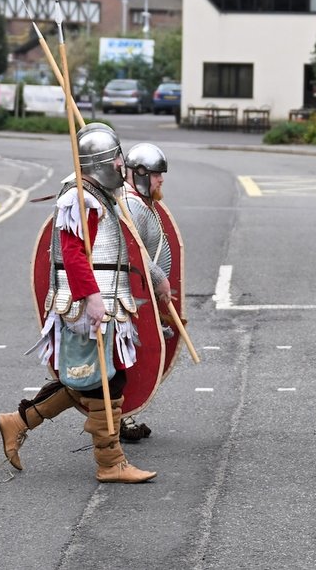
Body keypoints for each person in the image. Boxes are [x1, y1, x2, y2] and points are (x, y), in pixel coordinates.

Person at [0, 124, 156, 483]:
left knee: (92, 379)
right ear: (102, 161)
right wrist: (92, 297)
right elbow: (72, 253)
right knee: (103, 384)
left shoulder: (97, 193)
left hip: (102, 303)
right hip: (86, 306)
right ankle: (110, 463)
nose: (121, 164)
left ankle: (19, 421)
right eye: (117, 157)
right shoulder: (81, 198)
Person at [116, 142, 177, 442]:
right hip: (127, 297)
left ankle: (123, 418)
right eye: (156, 175)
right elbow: (132, 253)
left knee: (131, 358)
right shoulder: (131, 207)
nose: (161, 180)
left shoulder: (142, 204)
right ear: (139, 174)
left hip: (140, 295)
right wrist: (159, 278)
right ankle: (27, 417)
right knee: (126, 359)